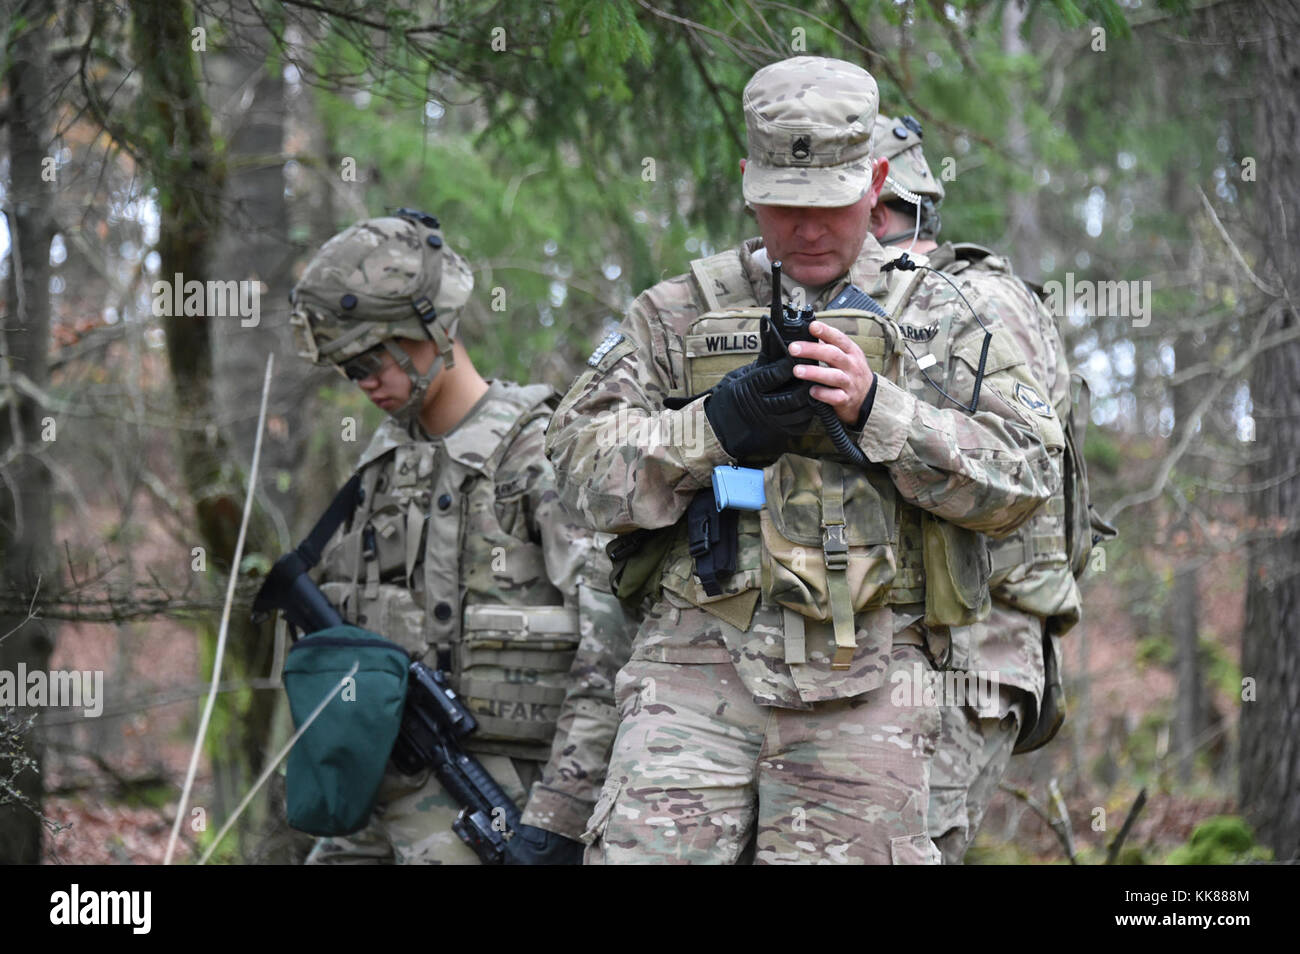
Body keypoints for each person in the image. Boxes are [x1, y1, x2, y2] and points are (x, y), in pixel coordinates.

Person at [545, 56, 1066, 864]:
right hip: (692, 665)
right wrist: (711, 428)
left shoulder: (945, 315)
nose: (809, 230)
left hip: (874, 679)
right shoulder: (679, 311)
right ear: (748, 183)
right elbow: (575, 470)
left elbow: (1029, 475)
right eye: (785, 207)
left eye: (829, 205)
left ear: (878, 180)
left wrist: (879, 411)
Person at [288, 209, 629, 864]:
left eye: (370, 359)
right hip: (375, 791)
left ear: (434, 327)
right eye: (346, 368)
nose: (363, 383)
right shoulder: (378, 470)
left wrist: (559, 818)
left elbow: (611, 644)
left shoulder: (538, 456)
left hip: (506, 799)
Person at [869, 113, 1084, 862]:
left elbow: (1024, 469)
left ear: (875, 204)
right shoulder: (891, 300)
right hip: (916, 641)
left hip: (972, 644)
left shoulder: (975, 302)